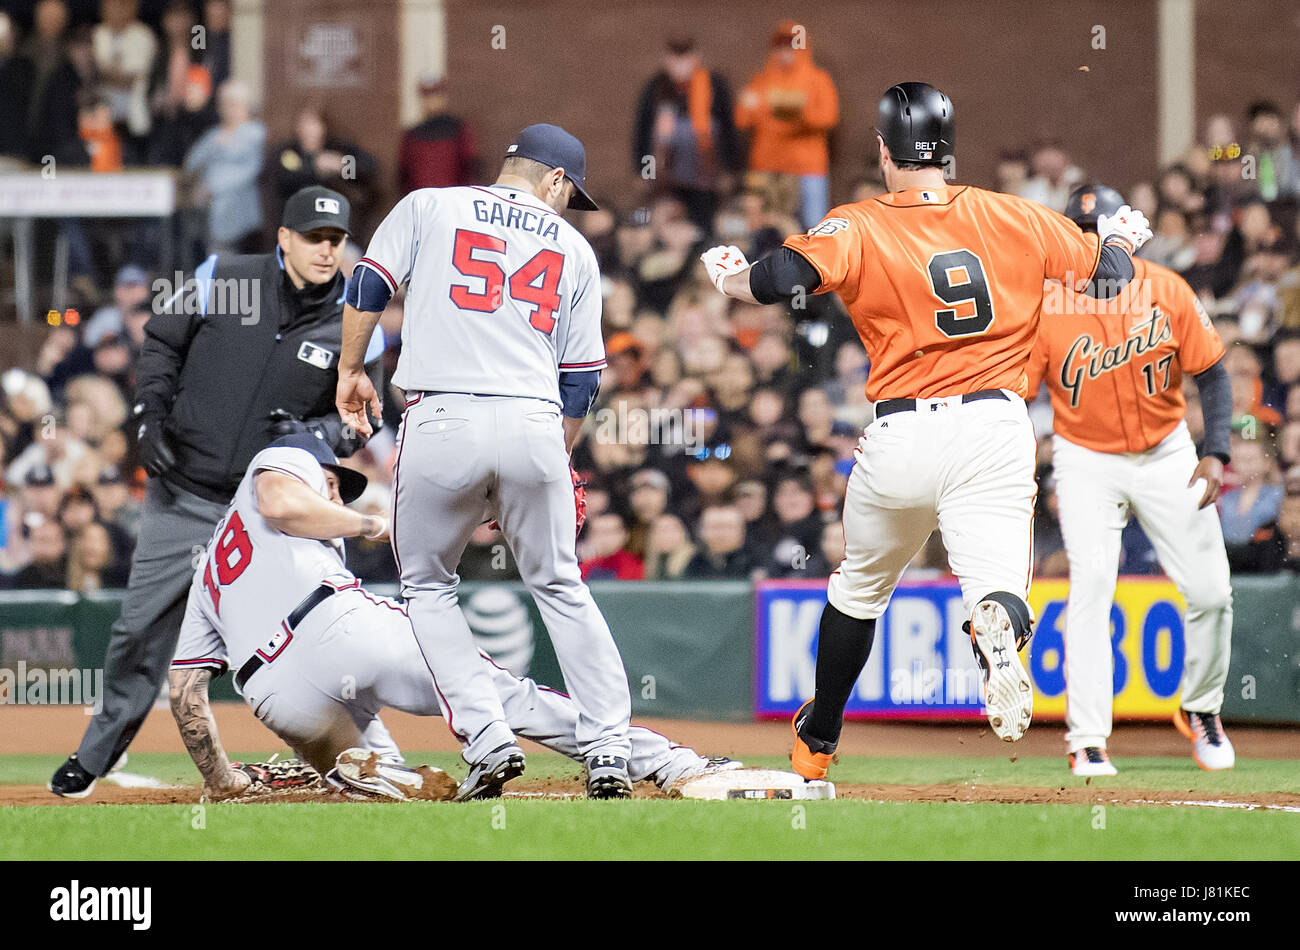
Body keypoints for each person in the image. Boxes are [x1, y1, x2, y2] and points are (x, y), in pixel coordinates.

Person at [701, 82, 1151, 780]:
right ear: (950, 150)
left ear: (884, 150)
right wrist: (1118, 236)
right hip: (995, 425)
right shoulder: (1015, 215)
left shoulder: (857, 224)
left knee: (858, 590)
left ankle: (818, 740)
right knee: (999, 585)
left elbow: (777, 280)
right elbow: (1110, 279)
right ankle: (994, 628)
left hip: (902, 432)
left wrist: (731, 277)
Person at [165, 435, 737, 801]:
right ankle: (667, 763)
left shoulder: (208, 573)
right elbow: (282, 503)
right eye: (336, 484)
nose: (338, 496)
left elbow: (184, 689)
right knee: (497, 695)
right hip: (338, 625)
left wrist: (221, 779)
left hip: (277, 698)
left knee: (397, 793)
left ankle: (373, 773)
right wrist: (365, 523)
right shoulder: (282, 459)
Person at [48, 186, 386, 798]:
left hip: (263, 511)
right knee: (139, 629)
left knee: (305, 633)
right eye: (313, 237)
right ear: (283, 238)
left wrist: (314, 434)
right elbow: (161, 341)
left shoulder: (357, 323)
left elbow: (362, 419)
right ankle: (97, 754)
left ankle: (362, 762)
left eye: (335, 240)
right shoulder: (221, 275)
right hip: (185, 490)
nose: (325, 250)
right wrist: (148, 415)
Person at [336, 124, 638, 799]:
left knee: (427, 584)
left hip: (441, 416)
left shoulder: (428, 205)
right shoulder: (576, 249)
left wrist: (350, 369)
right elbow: (583, 379)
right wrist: (552, 459)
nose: (569, 205)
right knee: (560, 584)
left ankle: (489, 738)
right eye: (570, 193)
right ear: (556, 181)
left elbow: (367, 284)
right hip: (533, 419)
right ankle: (611, 750)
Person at [1027, 183, 1236, 775]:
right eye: (1082, 234)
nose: (1092, 244)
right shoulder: (1047, 305)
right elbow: (1014, 394)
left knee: (1212, 592)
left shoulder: (1165, 287)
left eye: (1100, 233)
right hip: (1085, 457)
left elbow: (1214, 373)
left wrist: (1216, 450)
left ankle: (1202, 707)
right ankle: (1087, 737)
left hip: (1168, 451)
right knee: (1092, 585)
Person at [632, 34, 743, 231]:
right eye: (675, 57)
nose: (680, 64)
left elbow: (728, 128)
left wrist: (730, 169)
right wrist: (643, 171)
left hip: (705, 177)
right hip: (667, 180)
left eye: (685, 56)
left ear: (696, 57)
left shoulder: (714, 85)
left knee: (705, 225)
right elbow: (643, 132)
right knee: (669, 222)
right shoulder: (657, 88)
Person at [735, 21, 839, 229]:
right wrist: (764, 107)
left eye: (792, 46)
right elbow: (742, 118)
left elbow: (829, 117)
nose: (786, 52)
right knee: (765, 227)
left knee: (814, 226)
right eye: (781, 46)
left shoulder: (818, 80)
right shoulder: (762, 80)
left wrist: (798, 112)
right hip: (768, 167)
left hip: (807, 167)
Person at [183, 79, 266, 255]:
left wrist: (212, 186)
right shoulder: (214, 135)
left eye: (233, 104)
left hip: (241, 216)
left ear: (246, 106)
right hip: (210, 215)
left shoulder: (256, 134)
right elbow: (191, 163)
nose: (228, 110)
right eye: (224, 104)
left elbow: (252, 169)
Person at [398, 75, 480, 193]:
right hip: (422, 199)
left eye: (436, 96)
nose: (432, 101)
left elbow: (470, 165)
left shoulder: (458, 130)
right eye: (427, 97)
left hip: (452, 197)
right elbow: (404, 173)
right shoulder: (412, 135)